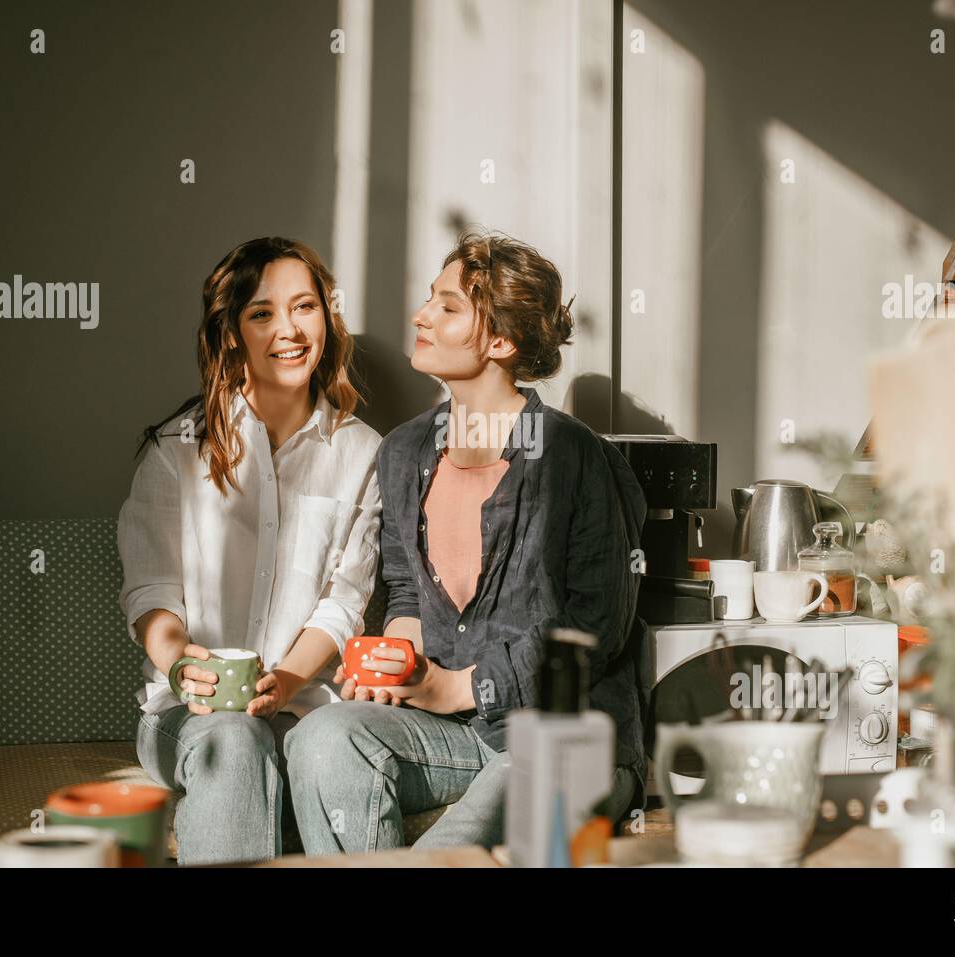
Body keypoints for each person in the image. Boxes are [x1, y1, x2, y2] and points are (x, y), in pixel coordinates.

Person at [286, 229, 647, 854]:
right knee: (322, 737)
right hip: (452, 733)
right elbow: (405, 595)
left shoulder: (570, 453)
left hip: (563, 736)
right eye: (431, 299)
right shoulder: (403, 451)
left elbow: (596, 627)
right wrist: (395, 662)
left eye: (447, 306)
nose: (421, 316)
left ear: (502, 340)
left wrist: (463, 687)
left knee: (447, 856)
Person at [117, 237, 381, 865]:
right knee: (232, 738)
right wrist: (182, 665)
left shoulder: (365, 453)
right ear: (232, 333)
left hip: (306, 710)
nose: (289, 330)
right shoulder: (176, 451)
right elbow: (151, 593)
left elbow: (342, 606)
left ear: (327, 317)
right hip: (185, 712)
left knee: (320, 746)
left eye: (305, 307)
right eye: (262, 313)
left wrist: (285, 684)